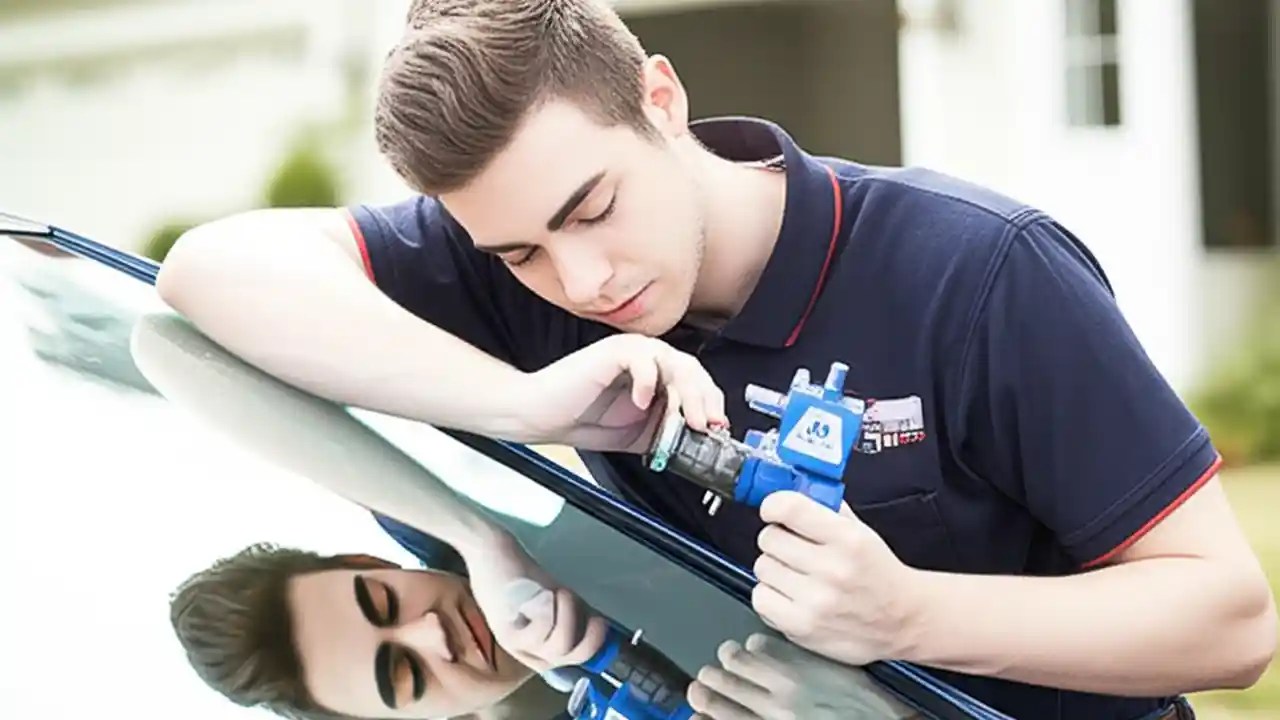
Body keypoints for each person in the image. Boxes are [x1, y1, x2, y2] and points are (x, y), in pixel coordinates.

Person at [155, 1, 1276, 718]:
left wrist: (905, 617)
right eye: (517, 252)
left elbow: (1229, 624)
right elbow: (196, 294)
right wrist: (508, 431)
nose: (581, 282)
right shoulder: (512, 269)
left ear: (659, 96)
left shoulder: (977, 273)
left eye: (592, 207)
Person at [168, 523, 590, 720]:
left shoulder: (466, 516)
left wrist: (479, 540)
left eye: (383, 601)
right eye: (403, 673)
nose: (434, 633)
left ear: (371, 563)